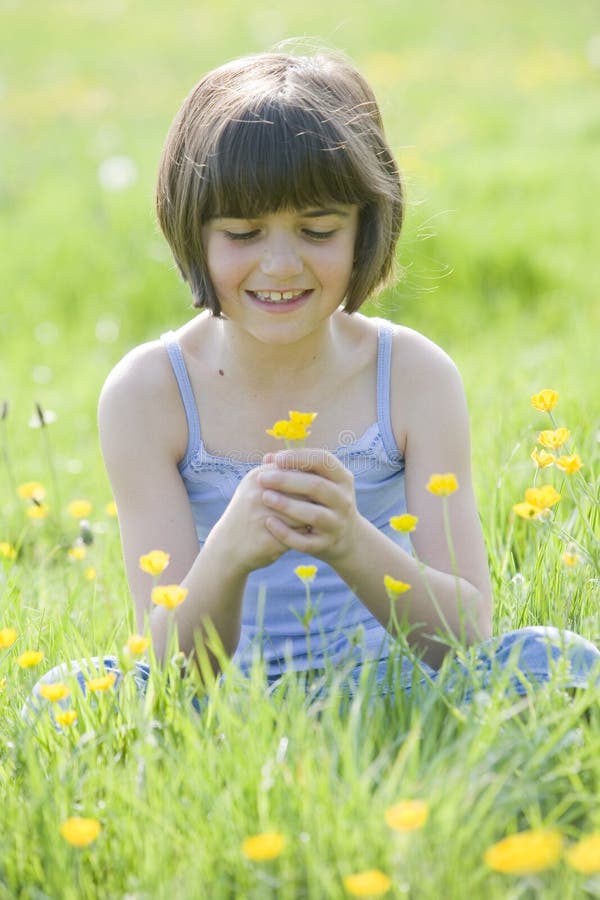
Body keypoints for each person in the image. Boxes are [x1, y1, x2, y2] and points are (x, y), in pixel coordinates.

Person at [25, 50, 599, 719]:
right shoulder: (148, 394)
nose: (279, 263)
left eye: (317, 230)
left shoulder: (413, 376)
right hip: (228, 708)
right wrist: (230, 552)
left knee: (559, 657)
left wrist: (352, 540)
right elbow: (175, 670)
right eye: (243, 232)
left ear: (363, 231)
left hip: (394, 693)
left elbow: (467, 635)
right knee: (58, 698)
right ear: (193, 233)